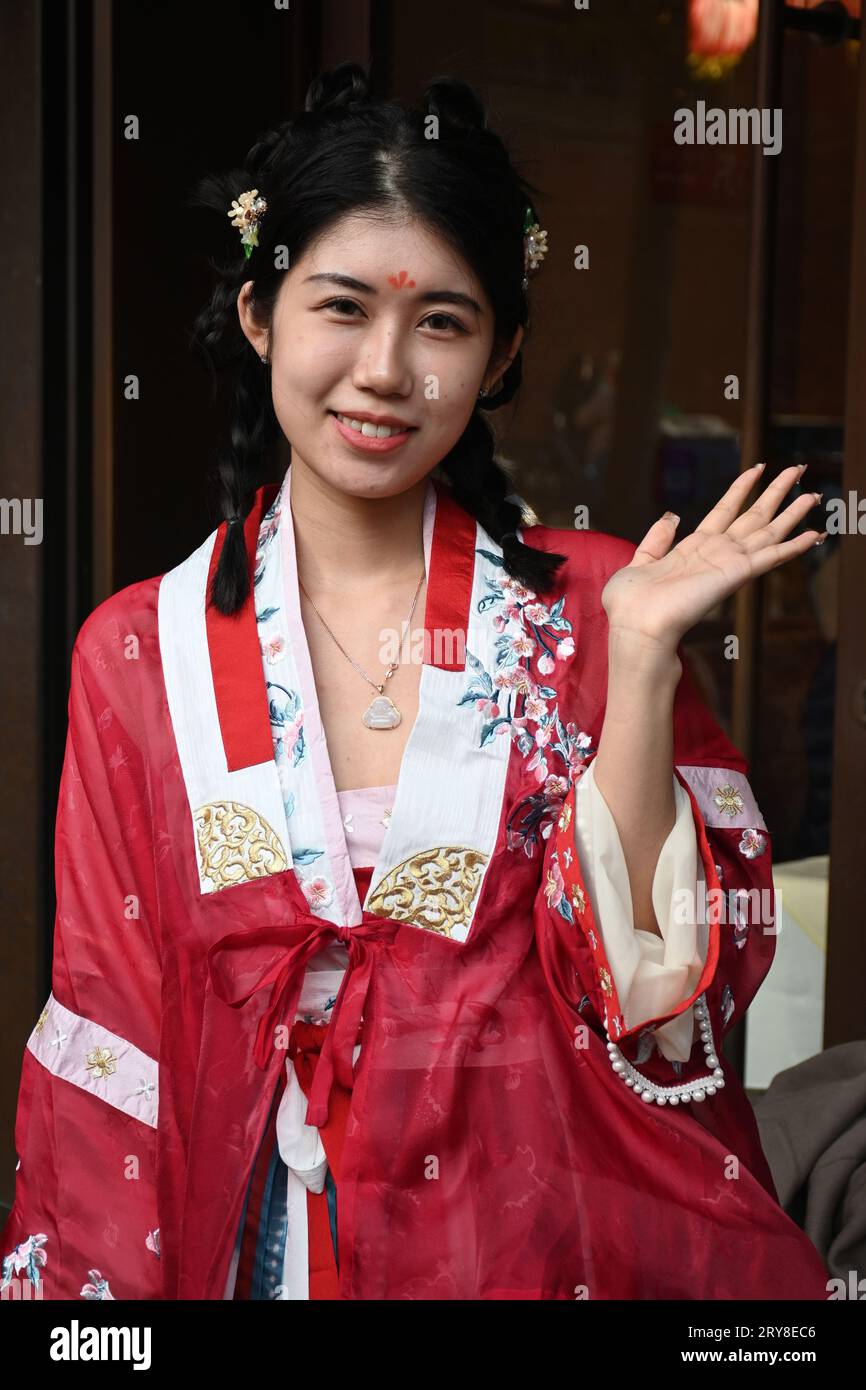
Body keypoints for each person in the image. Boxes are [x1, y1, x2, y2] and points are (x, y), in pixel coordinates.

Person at [1, 61, 831, 1302]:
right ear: (257, 313)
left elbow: (657, 1000)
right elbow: (111, 1017)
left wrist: (645, 658)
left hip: (535, 1243)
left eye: (440, 321)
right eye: (341, 305)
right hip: (257, 1240)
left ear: (500, 354)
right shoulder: (139, 648)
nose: (385, 370)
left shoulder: (594, 607)